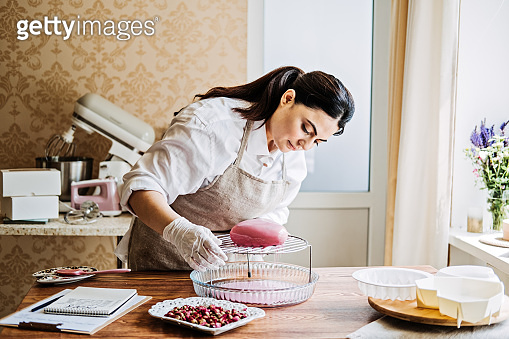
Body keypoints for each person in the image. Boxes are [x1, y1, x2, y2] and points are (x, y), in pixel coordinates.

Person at [114, 66, 355, 271]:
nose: (306, 146)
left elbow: (277, 210)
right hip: (163, 267)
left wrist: (255, 234)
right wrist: (179, 232)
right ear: (287, 99)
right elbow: (141, 188)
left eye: (318, 141)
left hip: (228, 275)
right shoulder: (212, 125)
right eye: (306, 129)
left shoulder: (292, 156)